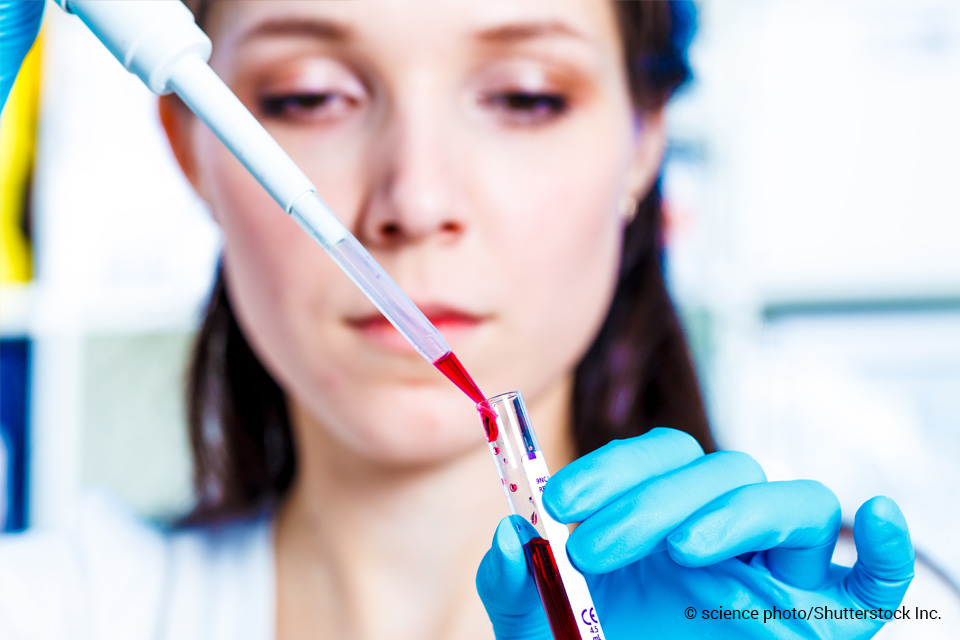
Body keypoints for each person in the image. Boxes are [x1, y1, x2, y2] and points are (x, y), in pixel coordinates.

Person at [0, 1, 924, 638]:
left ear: (646, 142)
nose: (416, 198)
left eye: (524, 96)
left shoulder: (845, 615)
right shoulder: (46, 612)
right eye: (310, 95)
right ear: (192, 146)